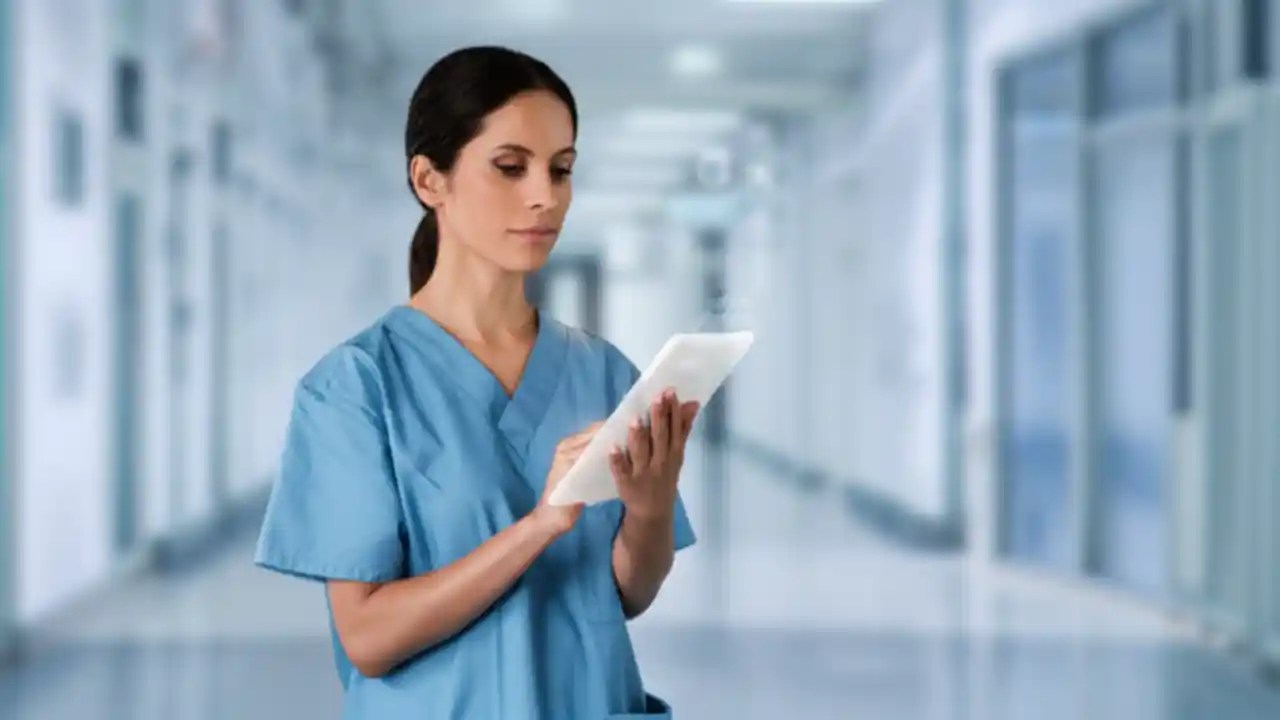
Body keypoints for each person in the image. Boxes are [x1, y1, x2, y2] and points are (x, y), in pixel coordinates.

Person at [253, 45, 699, 719]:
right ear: (430, 180)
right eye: (510, 168)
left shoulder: (604, 371)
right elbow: (368, 638)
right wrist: (540, 526)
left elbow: (624, 595)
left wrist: (651, 506)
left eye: (561, 169)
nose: (544, 195)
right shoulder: (356, 387)